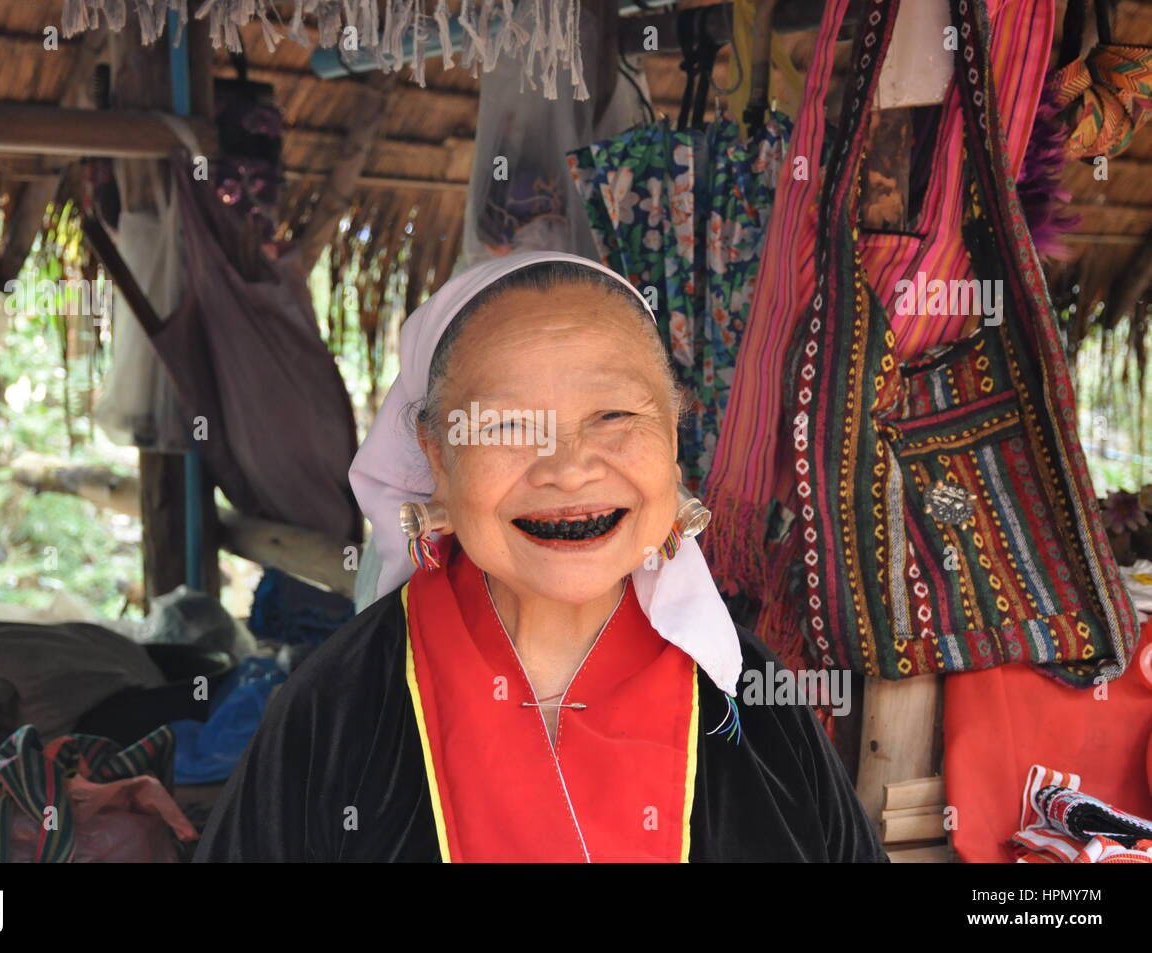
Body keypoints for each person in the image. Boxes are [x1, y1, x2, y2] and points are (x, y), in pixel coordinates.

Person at [195, 251, 887, 862]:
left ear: (674, 430)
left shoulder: (751, 700)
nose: (569, 468)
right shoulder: (343, 704)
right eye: (505, 426)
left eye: (615, 415)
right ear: (436, 455)